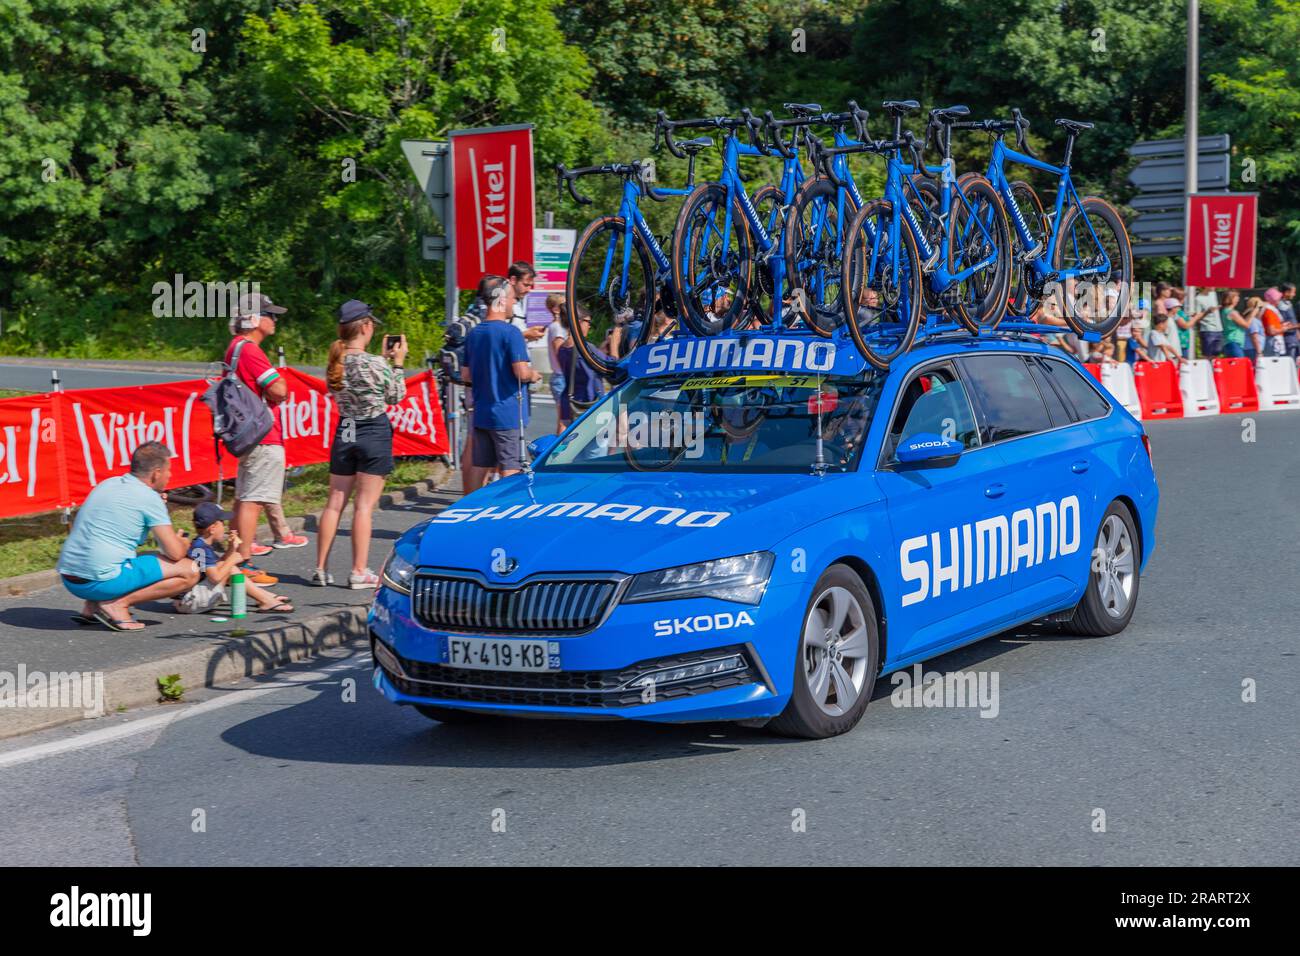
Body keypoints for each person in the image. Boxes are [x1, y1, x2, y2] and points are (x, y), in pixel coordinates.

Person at [56, 441, 200, 631]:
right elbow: (174, 553)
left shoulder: (108, 483)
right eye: (168, 470)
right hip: (98, 582)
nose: (170, 475)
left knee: (136, 555)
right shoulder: (148, 499)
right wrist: (182, 542)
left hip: (70, 578)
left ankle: (91, 607)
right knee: (190, 570)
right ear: (156, 473)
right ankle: (118, 604)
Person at [313, 299, 408, 588]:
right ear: (366, 327)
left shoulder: (336, 362)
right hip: (372, 431)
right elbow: (395, 396)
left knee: (334, 503)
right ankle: (358, 570)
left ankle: (320, 568)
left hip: (347, 428)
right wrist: (398, 362)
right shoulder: (376, 363)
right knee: (364, 506)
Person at [226, 292, 309, 570]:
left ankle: (234, 554)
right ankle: (244, 562)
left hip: (246, 433)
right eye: (269, 314)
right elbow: (278, 389)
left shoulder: (235, 347)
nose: (274, 320)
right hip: (264, 435)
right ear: (253, 319)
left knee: (243, 498)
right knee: (253, 501)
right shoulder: (251, 349)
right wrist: (281, 385)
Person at [462, 276, 542, 490]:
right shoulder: (511, 332)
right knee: (510, 466)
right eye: (512, 298)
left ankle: (468, 509)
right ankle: (507, 514)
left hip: (482, 411)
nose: (514, 303)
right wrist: (533, 374)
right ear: (501, 299)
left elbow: (465, 375)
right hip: (507, 413)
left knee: (480, 465)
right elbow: (521, 372)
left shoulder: (473, 334)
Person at [174, 503, 294, 614]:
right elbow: (215, 578)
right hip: (191, 602)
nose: (225, 527)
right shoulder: (201, 549)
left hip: (191, 598)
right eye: (222, 522)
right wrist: (232, 560)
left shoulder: (199, 545)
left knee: (229, 567)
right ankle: (265, 600)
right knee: (231, 568)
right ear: (213, 528)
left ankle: (264, 596)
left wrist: (231, 548)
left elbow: (216, 566)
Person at [557, 310, 609, 426]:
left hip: (569, 405)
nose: (589, 326)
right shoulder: (586, 348)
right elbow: (610, 368)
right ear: (579, 322)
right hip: (587, 405)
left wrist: (599, 350)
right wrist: (615, 344)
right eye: (588, 322)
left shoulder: (562, 348)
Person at [545, 295, 570, 434]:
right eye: (564, 304)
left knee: (565, 420)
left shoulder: (558, 327)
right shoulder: (557, 327)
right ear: (555, 309)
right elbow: (561, 353)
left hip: (560, 377)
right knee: (564, 421)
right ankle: (557, 454)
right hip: (562, 377)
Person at [507, 261, 546, 343]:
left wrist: (530, 333)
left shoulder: (518, 302)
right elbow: (497, 337)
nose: (529, 290)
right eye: (525, 285)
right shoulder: (502, 304)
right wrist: (525, 334)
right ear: (513, 280)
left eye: (530, 285)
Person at [1192, 287, 1222, 357]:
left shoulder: (1213, 294)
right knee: (1208, 356)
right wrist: (1207, 312)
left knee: (1217, 355)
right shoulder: (1198, 299)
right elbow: (1197, 317)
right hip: (1208, 330)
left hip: (1219, 329)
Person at [1218, 290, 1248, 358]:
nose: (1238, 299)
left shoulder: (1224, 311)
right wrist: (1254, 311)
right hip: (1234, 341)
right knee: (1239, 365)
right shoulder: (1232, 313)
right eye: (1236, 297)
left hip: (1229, 342)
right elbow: (1246, 325)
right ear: (1231, 298)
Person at [1260, 289, 1286, 356]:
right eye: (1278, 298)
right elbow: (1271, 331)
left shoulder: (1272, 310)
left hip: (1275, 343)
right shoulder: (1269, 312)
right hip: (1273, 343)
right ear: (1275, 299)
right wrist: (1284, 329)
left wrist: (1283, 326)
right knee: (1274, 364)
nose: (1280, 300)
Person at [1241, 296, 1267, 361]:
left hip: (1251, 349)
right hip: (1252, 350)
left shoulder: (1252, 320)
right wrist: (1259, 352)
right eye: (1261, 308)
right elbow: (1254, 337)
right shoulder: (1253, 321)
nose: (1263, 310)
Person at [1278, 282, 1297, 358]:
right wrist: (1297, 326)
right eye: (1293, 292)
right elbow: (1282, 323)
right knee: (1289, 362)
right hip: (1287, 339)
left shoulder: (1288, 303)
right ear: (1286, 292)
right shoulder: (1281, 305)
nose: (1294, 294)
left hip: (1293, 338)